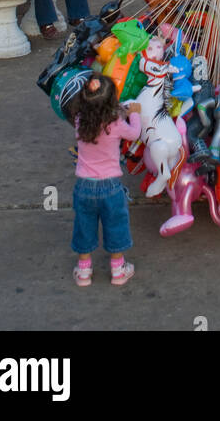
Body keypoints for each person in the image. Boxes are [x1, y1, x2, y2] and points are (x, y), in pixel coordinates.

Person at [70, 75, 141, 288]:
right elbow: (135, 133)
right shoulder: (116, 123)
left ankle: (83, 271)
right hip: (111, 186)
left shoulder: (79, 121)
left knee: (84, 225)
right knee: (116, 225)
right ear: (112, 101)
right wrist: (134, 113)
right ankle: (118, 269)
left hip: (83, 185)